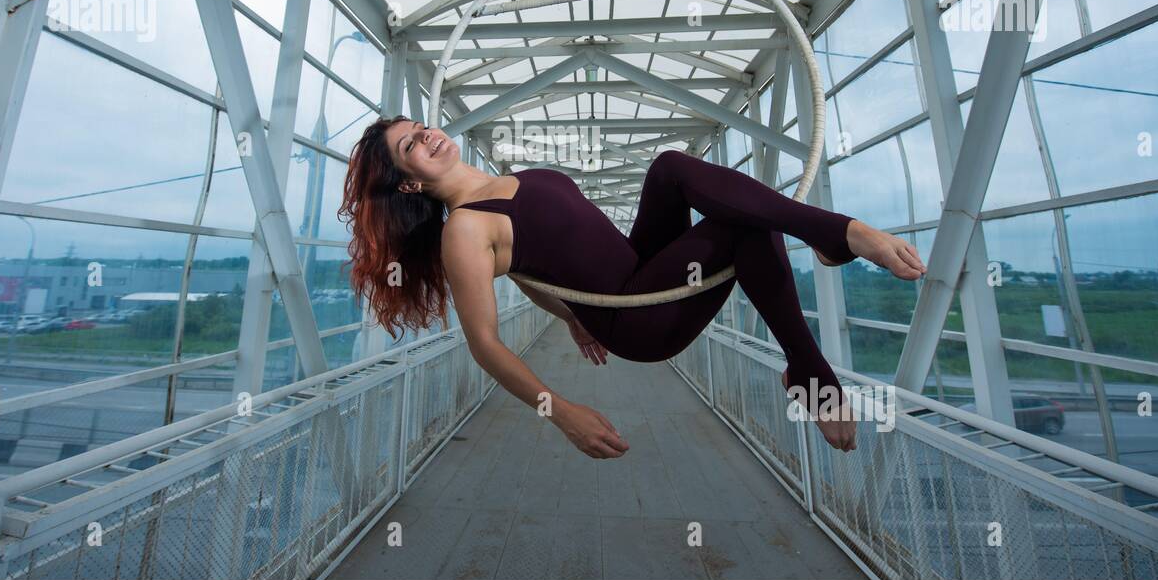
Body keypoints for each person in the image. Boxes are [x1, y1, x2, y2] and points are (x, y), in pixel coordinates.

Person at [339, 115, 926, 460]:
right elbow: (485, 343)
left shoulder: (514, 179)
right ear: (410, 185)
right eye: (410, 147)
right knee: (740, 229)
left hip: (636, 264)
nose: (428, 137)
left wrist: (569, 315)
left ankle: (831, 243)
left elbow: (530, 272)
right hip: (636, 317)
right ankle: (829, 285)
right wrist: (561, 412)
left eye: (420, 128)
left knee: (671, 166)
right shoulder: (464, 230)